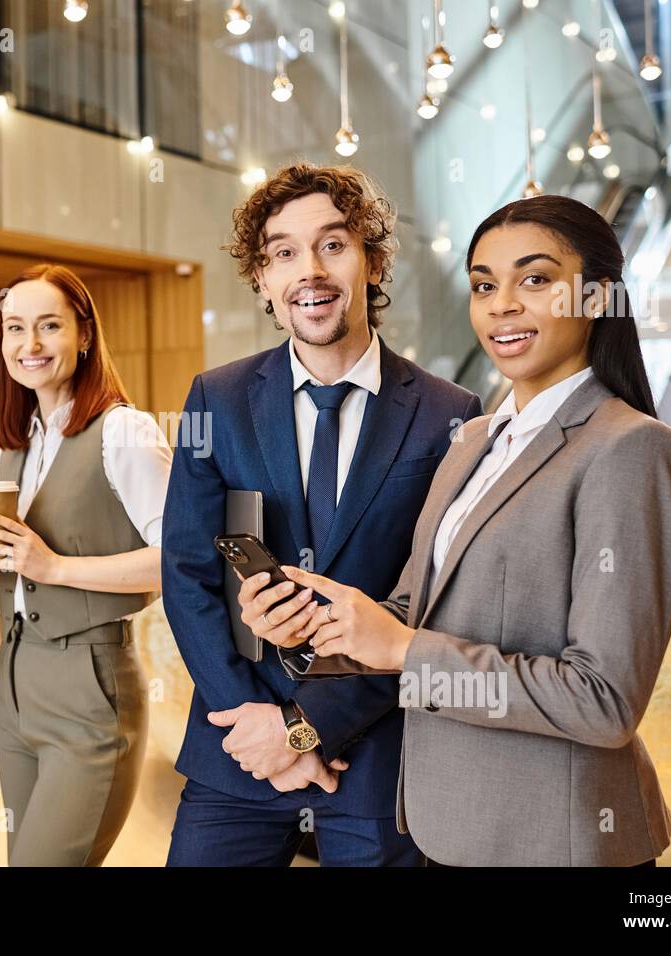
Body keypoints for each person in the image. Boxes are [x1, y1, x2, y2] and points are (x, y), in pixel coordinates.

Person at [250, 195, 671, 866]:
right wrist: (316, 623)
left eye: (535, 279)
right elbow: (410, 612)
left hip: (557, 836)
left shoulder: (628, 449)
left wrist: (402, 649)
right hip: (445, 825)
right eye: (484, 285)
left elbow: (603, 701)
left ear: (598, 298)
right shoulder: (475, 439)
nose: (501, 305)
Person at [161, 163, 482, 866]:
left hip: (374, 749)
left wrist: (305, 730)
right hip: (237, 740)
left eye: (334, 244)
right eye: (283, 252)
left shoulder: (451, 416)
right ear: (262, 281)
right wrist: (253, 721)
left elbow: (437, 604)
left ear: (371, 260)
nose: (310, 270)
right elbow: (185, 572)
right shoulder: (215, 398)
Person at [0, 264, 171, 866]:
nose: (28, 345)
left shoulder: (124, 431)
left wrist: (52, 567)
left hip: (91, 681)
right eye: (14, 329)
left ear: (84, 334)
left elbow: (180, 562)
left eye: (48, 326)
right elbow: (24, 569)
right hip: (15, 680)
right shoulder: (14, 441)